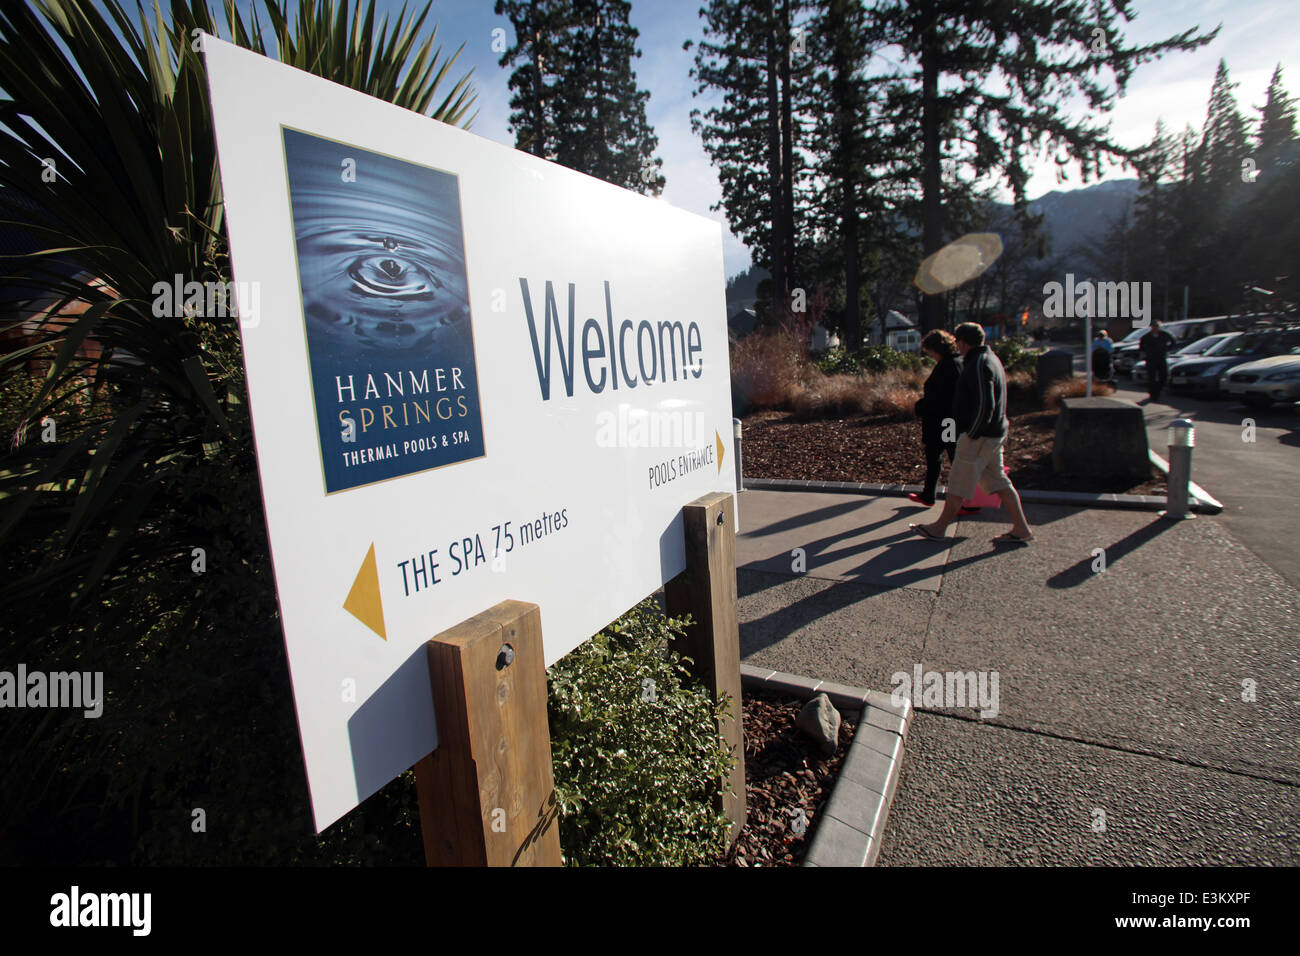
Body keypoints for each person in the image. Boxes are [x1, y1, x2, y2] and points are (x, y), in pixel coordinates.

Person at [910, 322, 1034, 544]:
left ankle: (939, 528)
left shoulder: (978, 364)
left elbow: (985, 404)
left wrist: (972, 433)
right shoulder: (990, 359)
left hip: (979, 435)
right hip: (993, 433)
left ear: (963, 342)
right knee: (999, 482)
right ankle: (1021, 528)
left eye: (958, 342)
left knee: (959, 481)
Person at [908, 329, 977, 512]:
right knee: (941, 456)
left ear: (936, 348)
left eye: (929, 350)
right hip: (948, 420)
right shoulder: (956, 362)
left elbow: (943, 396)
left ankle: (962, 501)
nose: (929, 354)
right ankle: (930, 494)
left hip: (945, 421)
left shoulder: (948, 366)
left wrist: (921, 406)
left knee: (948, 457)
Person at [1139, 320, 1177, 402]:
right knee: (1152, 377)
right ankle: (1153, 394)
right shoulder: (1146, 337)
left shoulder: (1165, 335)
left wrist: (1167, 349)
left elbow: (1173, 342)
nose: (1155, 328)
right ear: (1151, 327)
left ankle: (1159, 390)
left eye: (1157, 327)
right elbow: (1141, 347)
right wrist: (1147, 352)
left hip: (1162, 357)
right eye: (1153, 327)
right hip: (1151, 359)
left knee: (1164, 375)